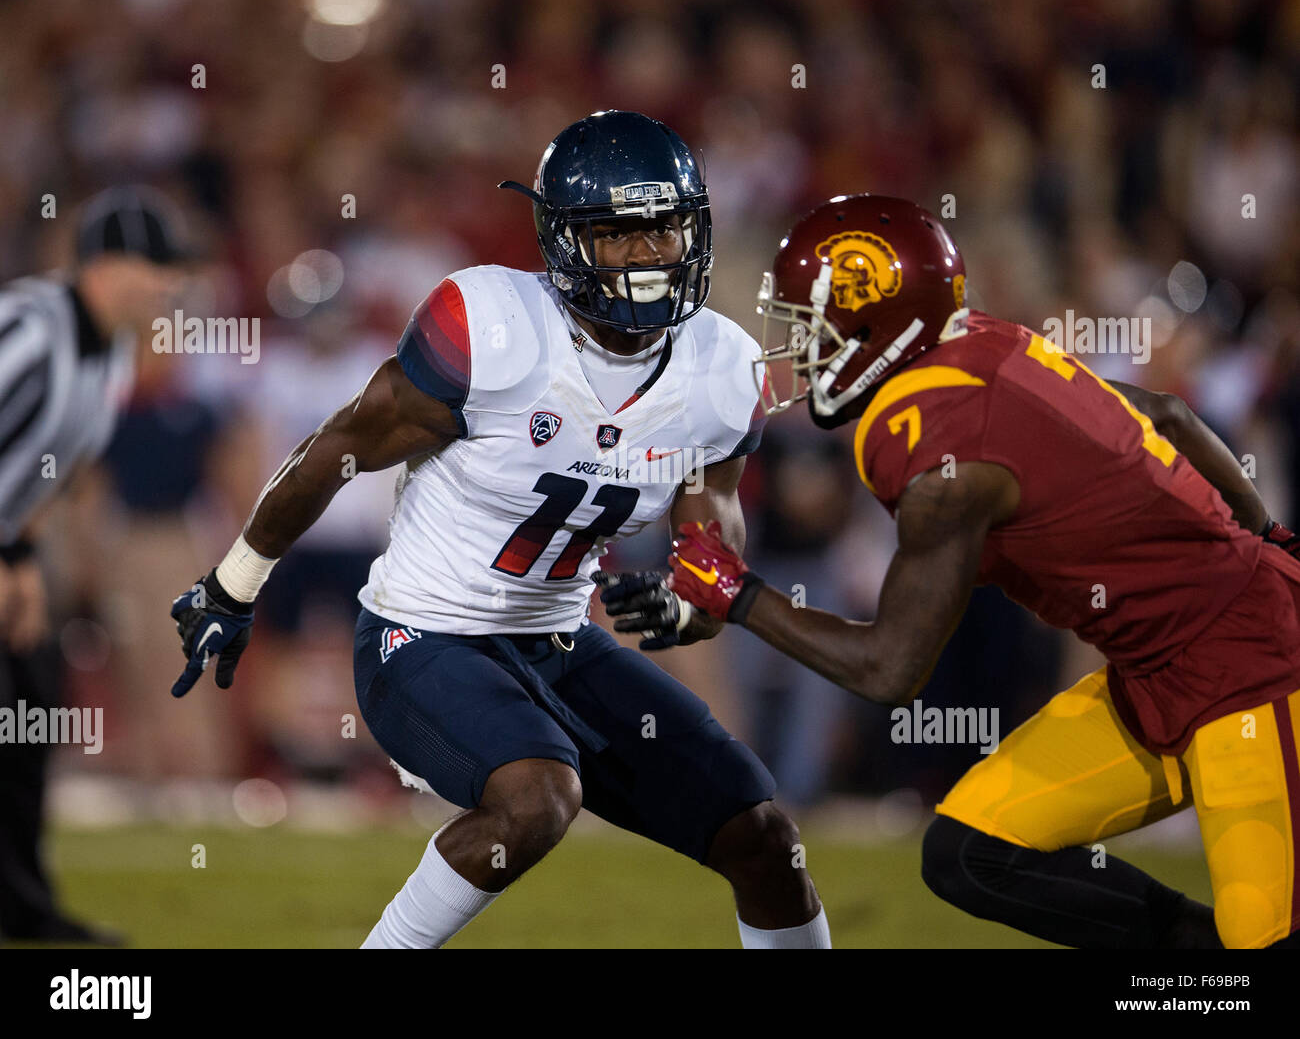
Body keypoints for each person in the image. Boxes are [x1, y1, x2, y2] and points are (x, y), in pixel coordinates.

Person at [168, 111, 829, 949]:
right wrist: (233, 584)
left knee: (761, 833)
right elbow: (339, 448)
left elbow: (711, 533)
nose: (651, 254)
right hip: (423, 634)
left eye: (665, 226)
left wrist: (691, 607)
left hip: (558, 640)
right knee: (537, 798)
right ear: (565, 241)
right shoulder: (494, 329)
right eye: (620, 235)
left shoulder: (722, 368)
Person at [667, 193, 1300, 949]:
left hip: (1250, 668)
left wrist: (737, 593)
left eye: (817, 327)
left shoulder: (938, 450)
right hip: (1153, 673)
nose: (804, 350)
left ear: (880, 325)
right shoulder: (988, 344)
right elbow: (1169, 416)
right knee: (972, 853)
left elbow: (889, 668)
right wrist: (1271, 537)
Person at [0, 186, 192, 944]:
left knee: (30, 705)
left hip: (11, 547)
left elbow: (49, 470)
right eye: (158, 267)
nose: (171, 284)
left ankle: (20, 905)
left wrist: (21, 562)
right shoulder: (30, 327)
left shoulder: (110, 349)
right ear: (107, 266)